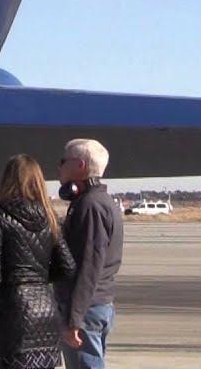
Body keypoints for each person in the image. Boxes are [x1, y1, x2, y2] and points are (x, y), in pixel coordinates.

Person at [0, 154, 76, 369]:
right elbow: (68, 266)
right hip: (45, 310)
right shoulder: (49, 215)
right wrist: (37, 279)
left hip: (12, 312)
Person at [56, 139, 124, 369]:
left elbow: (89, 266)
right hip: (94, 305)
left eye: (63, 161)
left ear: (80, 165)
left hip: (86, 309)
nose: (59, 166)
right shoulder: (96, 202)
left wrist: (74, 319)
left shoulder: (90, 206)